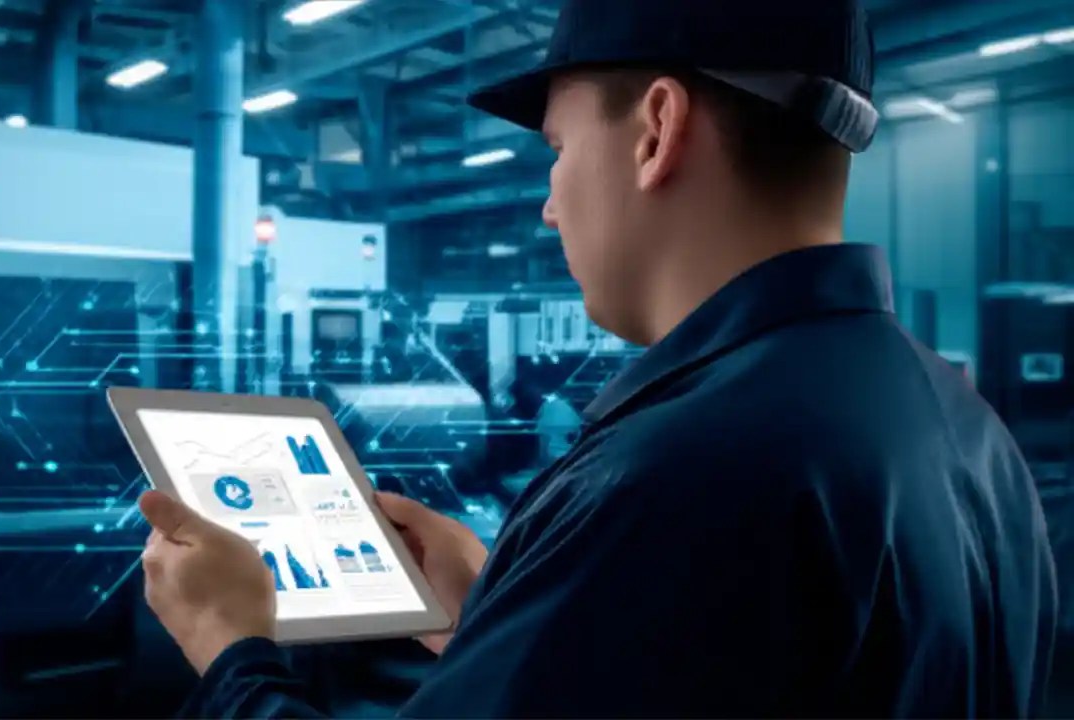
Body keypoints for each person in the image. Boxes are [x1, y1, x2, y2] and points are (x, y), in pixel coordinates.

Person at [137, 0, 1060, 716]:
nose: (549, 204)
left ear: (656, 129)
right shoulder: (965, 430)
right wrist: (506, 611)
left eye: (558, 147)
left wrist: (232, 648)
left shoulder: (680, 473)